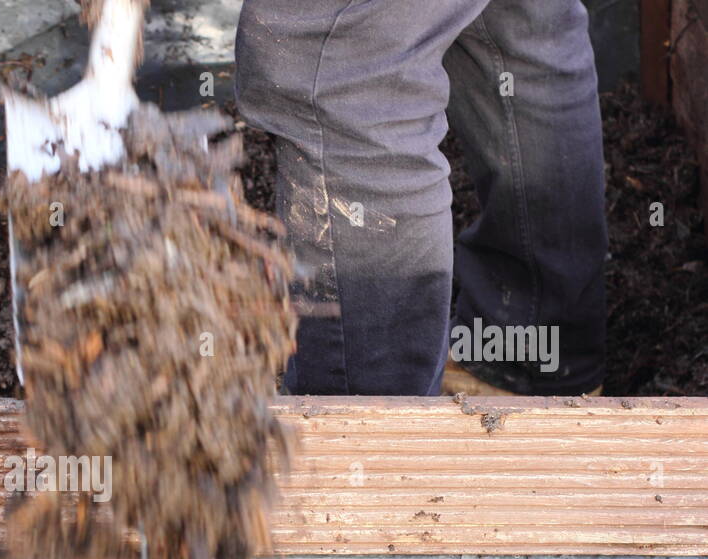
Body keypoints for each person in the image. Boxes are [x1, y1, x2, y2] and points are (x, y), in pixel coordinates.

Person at [235, 0, 608, 396]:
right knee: (516, 18)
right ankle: (521, 361)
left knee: (339, 55)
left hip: (372, 448)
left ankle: (371, 427)